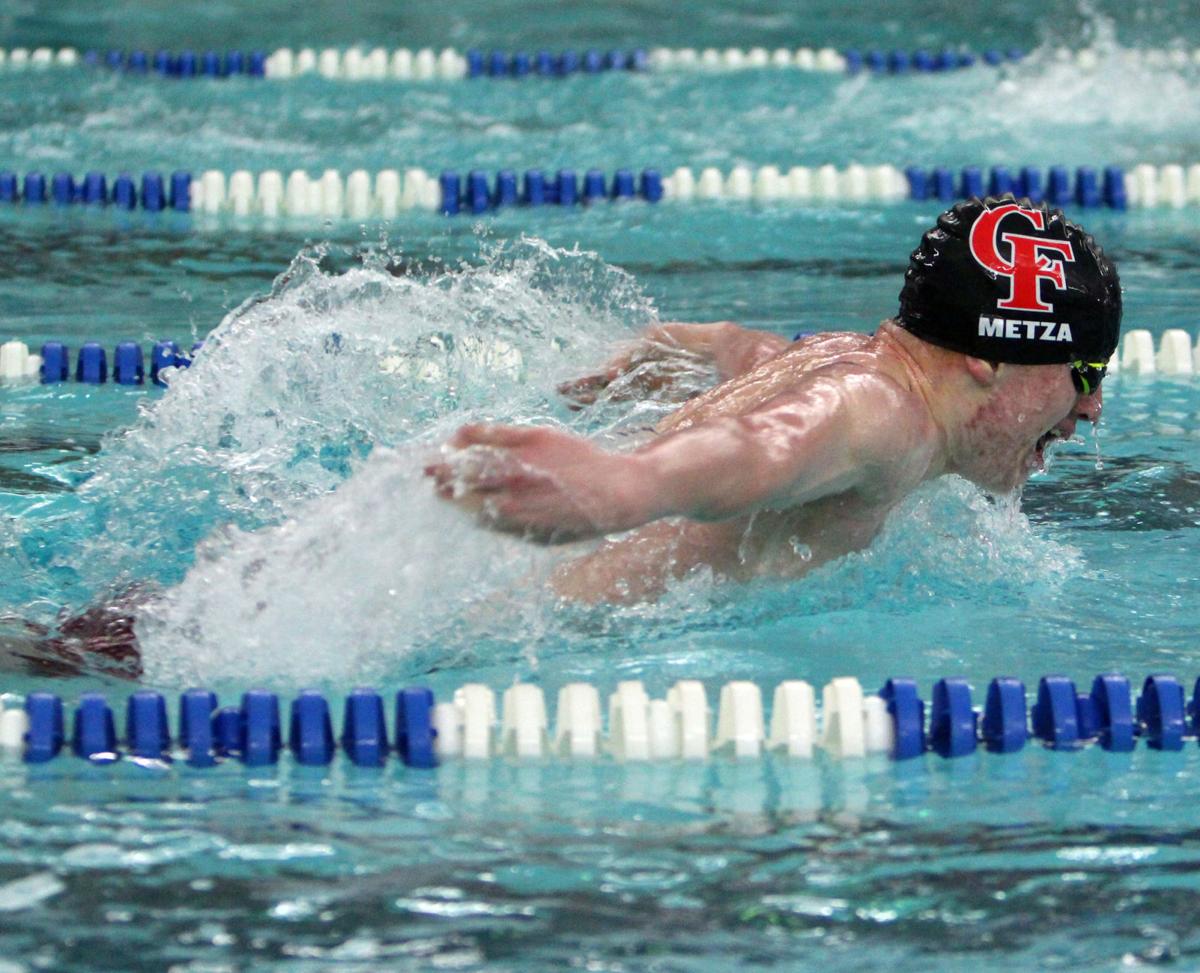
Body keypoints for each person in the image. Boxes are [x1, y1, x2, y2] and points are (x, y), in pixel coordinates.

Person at [426, 194, 1122, 603]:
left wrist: (681, 347)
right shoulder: (885, 415)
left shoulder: (845, 357)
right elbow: (766, 446)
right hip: (523, 626)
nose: (1091, 407)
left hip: (499, 583)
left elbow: (745, 349)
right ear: (991, 355)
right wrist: (623, 484)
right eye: (1085, 370)